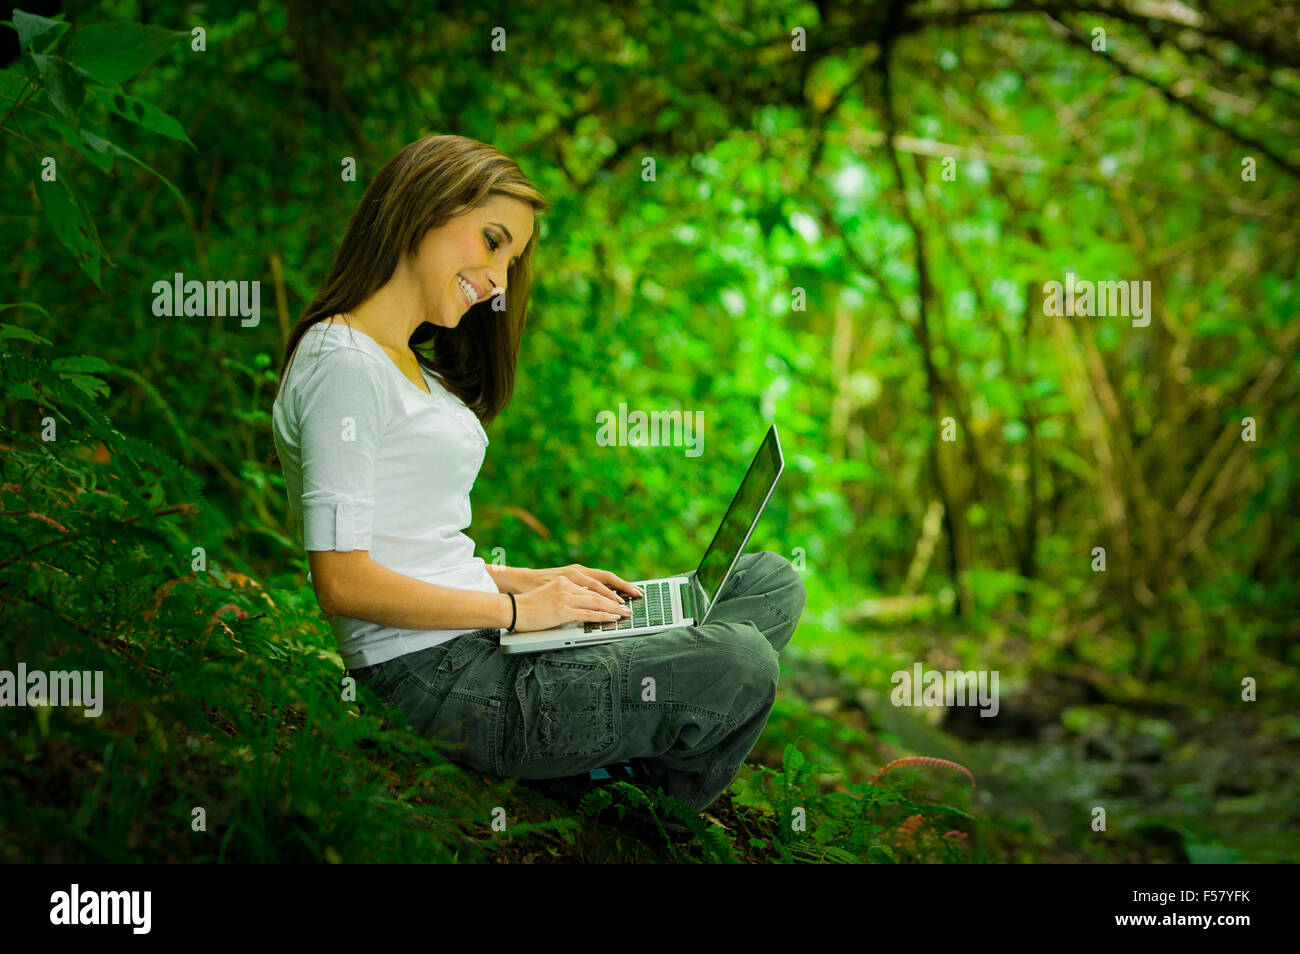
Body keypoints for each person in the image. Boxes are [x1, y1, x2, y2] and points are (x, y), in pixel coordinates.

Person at [271, 134, 805, 812]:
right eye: (492, 241)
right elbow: (342, 580)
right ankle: (637, 791)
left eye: (511, 260)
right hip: (429, 682)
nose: (498, 281)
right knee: (742, 662)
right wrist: (518, 612)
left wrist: (544, 584)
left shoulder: (413, 365)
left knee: (770, 583)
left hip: (479, 637)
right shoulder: (343, 363)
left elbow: (418, 550)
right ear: (424, 206)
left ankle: (602, 748)